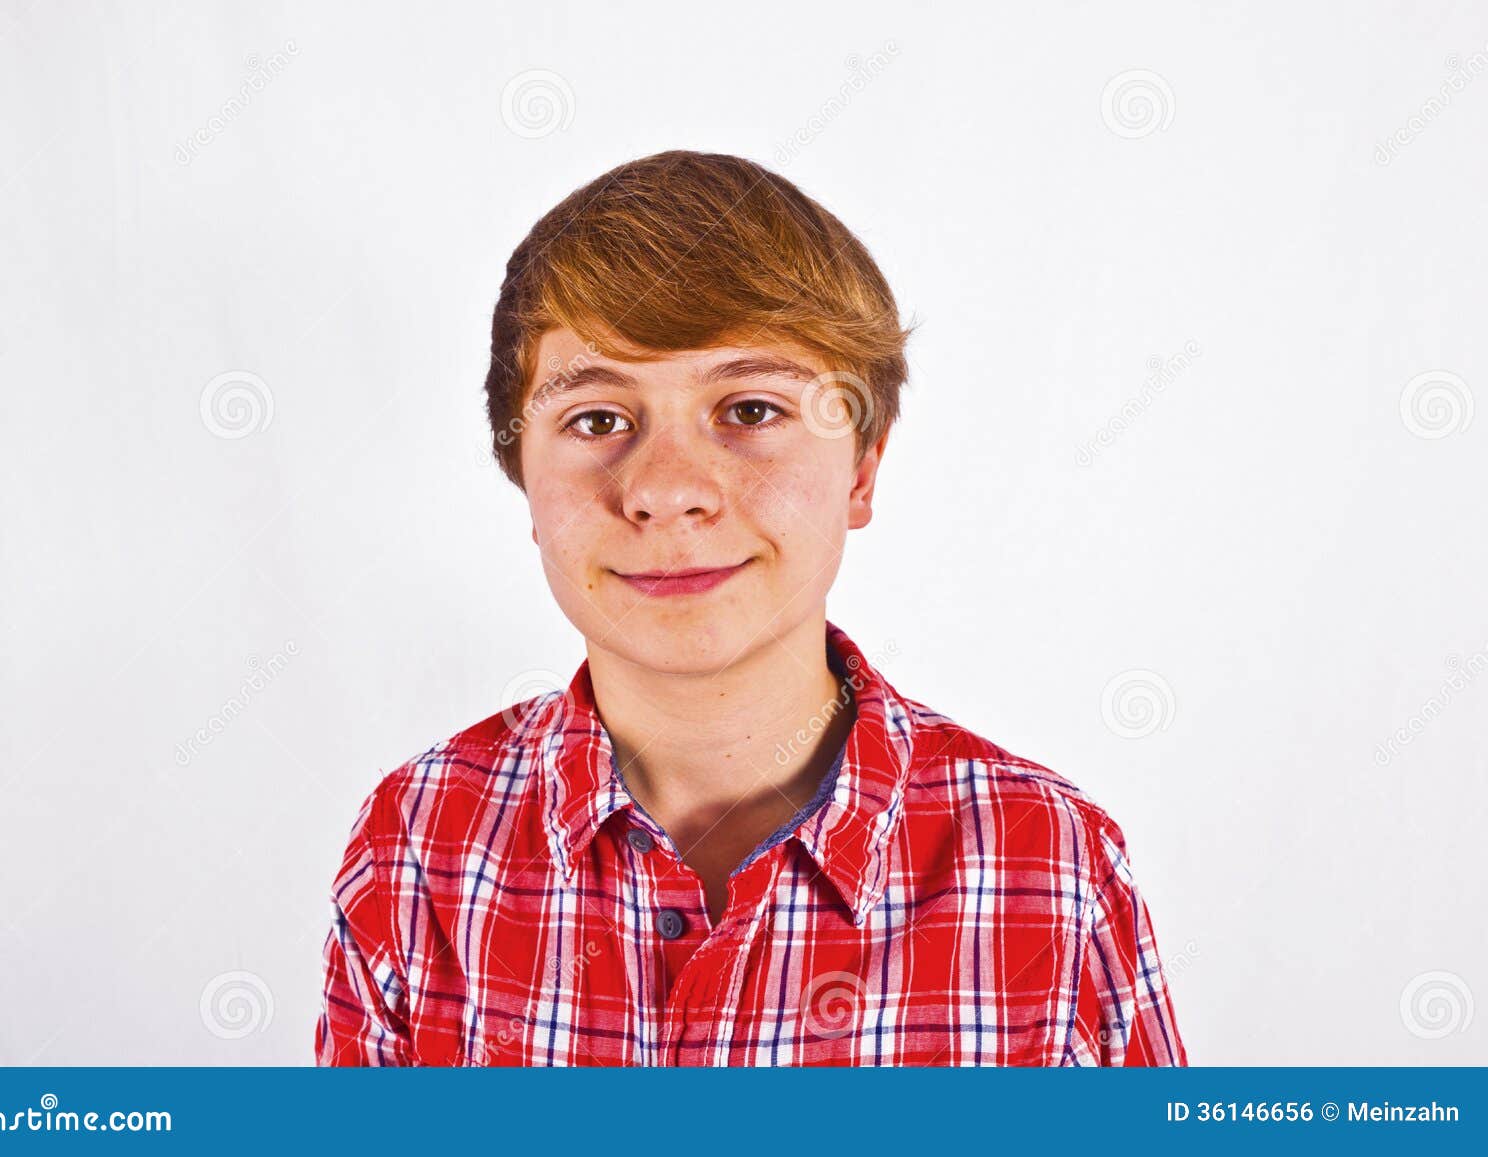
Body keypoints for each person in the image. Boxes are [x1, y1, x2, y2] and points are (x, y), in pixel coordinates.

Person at [315, 149, 1188, 1066]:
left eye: (751, 409)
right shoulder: (418, 844)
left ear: (861, 467)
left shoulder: (1050, 866)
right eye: (599, 420)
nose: (666, 490)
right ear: (523, 477)